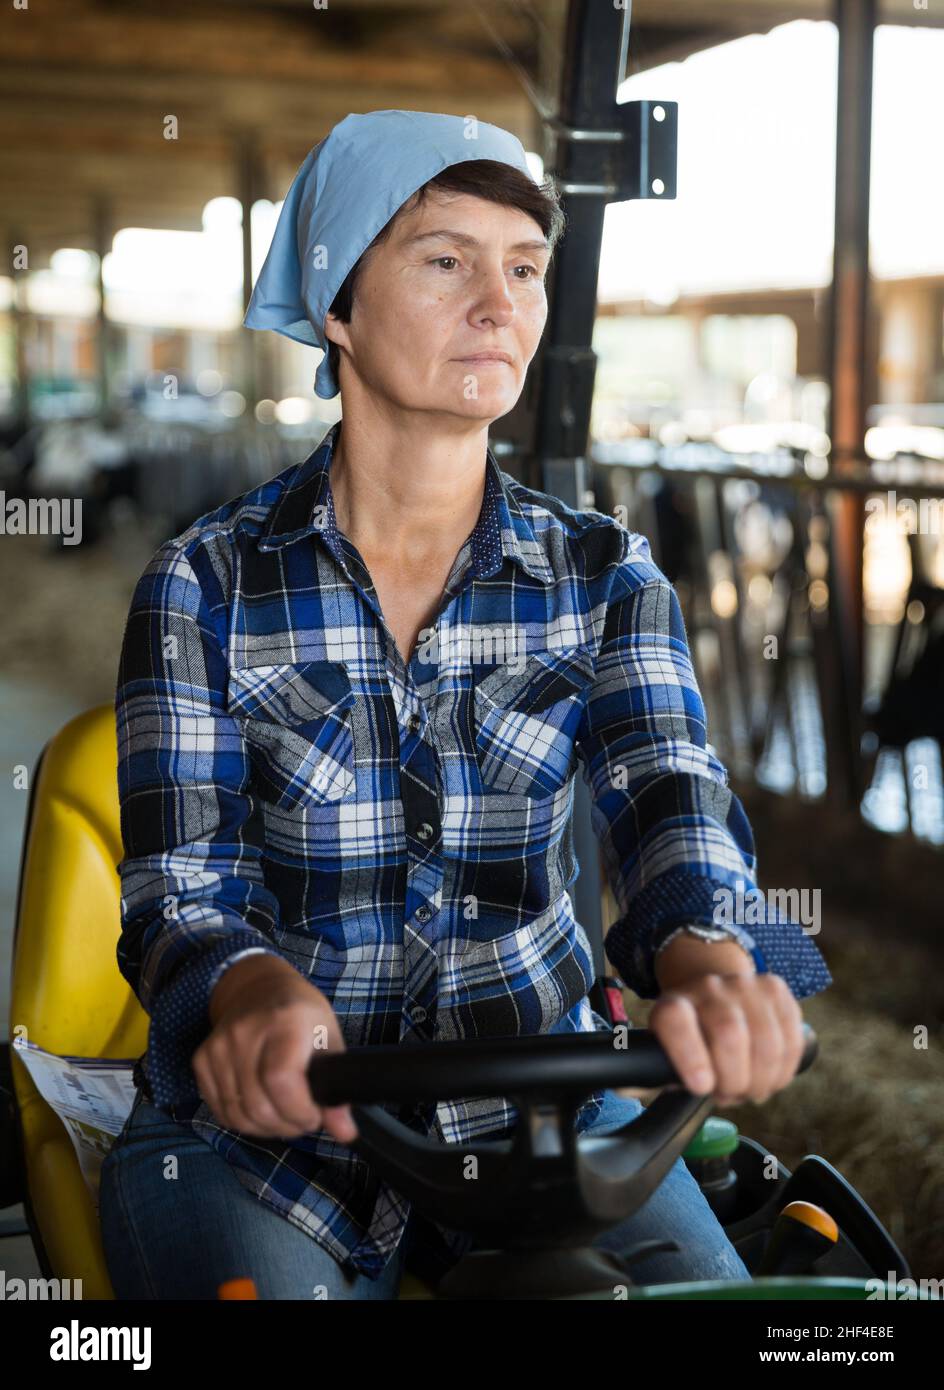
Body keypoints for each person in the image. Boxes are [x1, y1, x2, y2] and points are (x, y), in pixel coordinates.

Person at [99, 110, 832, 1301]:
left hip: (551, 1112)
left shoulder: (602, 575)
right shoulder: (205, 583)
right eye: (446, 260)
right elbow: (182, 891)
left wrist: (705, 955)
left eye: (525, 268)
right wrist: (248, 990)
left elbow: (667, 802)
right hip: (276, 1143)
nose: (500, 303)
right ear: (335, 306)